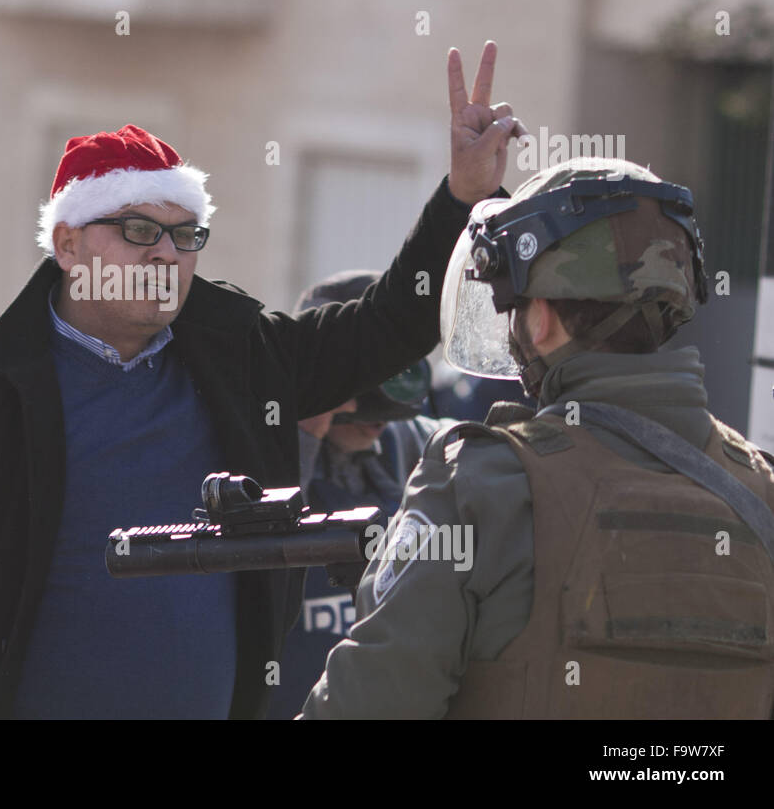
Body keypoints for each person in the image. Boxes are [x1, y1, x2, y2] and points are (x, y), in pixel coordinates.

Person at [0, 42, 524, 719]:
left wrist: (463, 197)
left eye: (185, 234)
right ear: (69, 244)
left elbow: (392, 325)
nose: (167, 251)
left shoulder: (242, 355)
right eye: (139, 229)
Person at [301, 156, 774, 719]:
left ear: (542, 317)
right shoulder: (760, 487)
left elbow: (367, 706)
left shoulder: (480, 480)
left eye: (512, 306)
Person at [265, 270, 455, 719]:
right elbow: (257, 543)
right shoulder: (261, 447)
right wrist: (306, 432)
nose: (380, 420)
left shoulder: (413, 445)